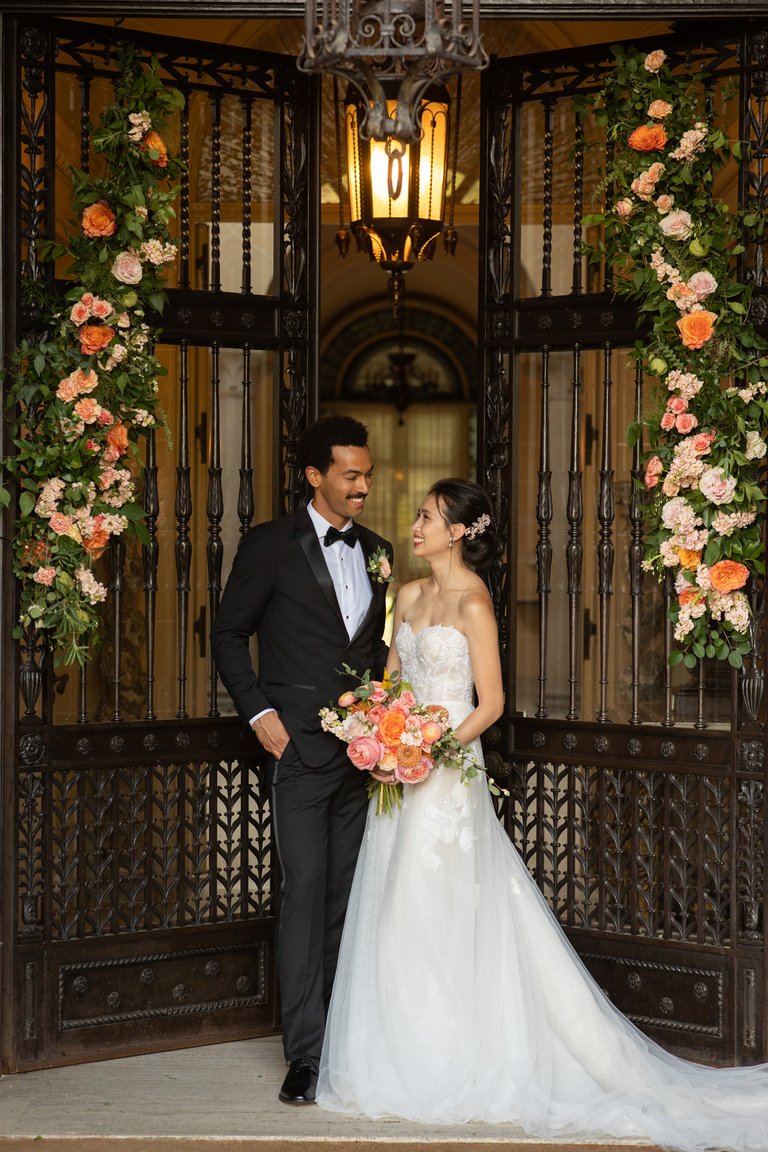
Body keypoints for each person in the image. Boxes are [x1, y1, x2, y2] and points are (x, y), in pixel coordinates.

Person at [317, 477, 768, 1151]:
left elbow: (491, 703)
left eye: (428, 518)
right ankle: (400, 1050)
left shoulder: (474, 603)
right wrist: (382, 737)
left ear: (461, 531)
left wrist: (425, 750)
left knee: (436, 904)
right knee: (393, 907)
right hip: (398, 779)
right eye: (417, 516)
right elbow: (391, 686)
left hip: (444, 781)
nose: (414, 527)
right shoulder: (407, 595)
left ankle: (454, 1056)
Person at [211, 415, 392, 1106]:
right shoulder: (270, 546)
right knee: (305, 892)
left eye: (368, 475)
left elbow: (378, 652)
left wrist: (387, 725)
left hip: (364, 754)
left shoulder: (378, 551)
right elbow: (228, 635)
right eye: (351, 474)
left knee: (347, 897)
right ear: (314, 475)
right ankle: (306, 1056)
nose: (363, 486)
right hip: (298, 750)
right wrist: (260, 715)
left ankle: (342, 1038)